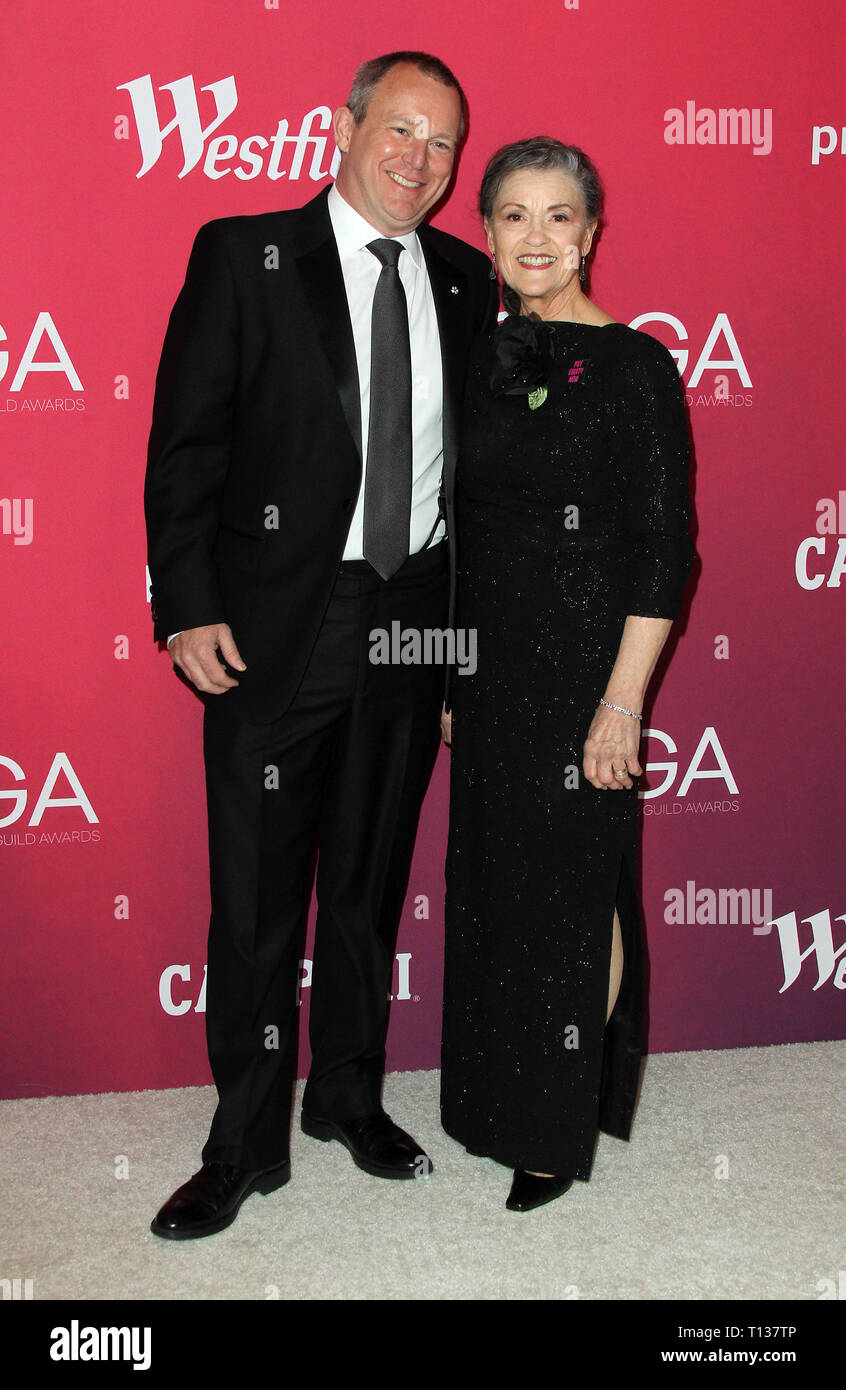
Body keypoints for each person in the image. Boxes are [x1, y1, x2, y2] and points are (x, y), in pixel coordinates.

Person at [144, 51, 497, 1239]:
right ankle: (243, 1142)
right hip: (275, 627)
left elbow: (471, 487)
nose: (420, 160)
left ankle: (346, 1096)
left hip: (409, 619)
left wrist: (457, 650)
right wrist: (187, 603)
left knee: (364, 884)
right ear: (344, 128)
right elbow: (187, 444)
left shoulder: (462, 277)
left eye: (444, 143)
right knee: (254, 906)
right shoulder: (243, 255)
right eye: (400, 129)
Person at [439, 137, 695, 1212]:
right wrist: (453, 677)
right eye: (511, 215)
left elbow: (663, 548)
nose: (534, 237)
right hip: (492, 671)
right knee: (500, 889)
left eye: (557, 216)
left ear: (592, 232)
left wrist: (622, 701)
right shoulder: (480, 359)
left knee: (575, 891)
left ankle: (555, 1120)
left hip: (590, 666)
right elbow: (458, 538)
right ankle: (503, 1095)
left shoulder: (635, 366)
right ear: (488, 232)